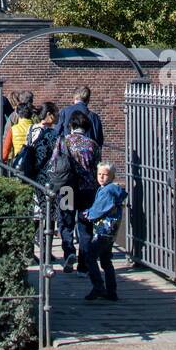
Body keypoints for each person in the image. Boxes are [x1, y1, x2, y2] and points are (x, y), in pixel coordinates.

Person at [49, 110, 99, 272]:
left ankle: (69, 251)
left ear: (71, 125)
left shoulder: (63, 141)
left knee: (65, 222)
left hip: (66, 188)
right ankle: (83, 266)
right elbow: (97, 166)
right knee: (85, 227)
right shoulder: (93, 144)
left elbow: (54, 163)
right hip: (88, 190)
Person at [82, 163, 127, 301]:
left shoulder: (107, 191)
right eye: (99, 174)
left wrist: (88, 214)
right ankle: (112, 292)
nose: (101, 177)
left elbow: (99, 209)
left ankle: (98, 286)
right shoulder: (112, 190)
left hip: (103, 230)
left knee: (89, 256)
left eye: (105, 174)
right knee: (106, 260)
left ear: (112, 176)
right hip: (111, 232)